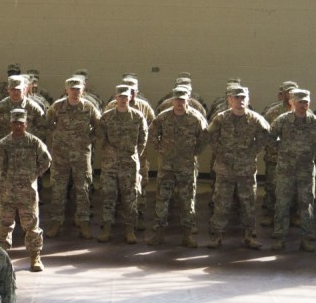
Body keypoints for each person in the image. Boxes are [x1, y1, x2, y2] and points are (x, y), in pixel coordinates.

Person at [205, 86, 271, 248]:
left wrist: (254, 151)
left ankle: (249, 235)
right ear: (229, 99)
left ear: (248, 100)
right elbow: (209, 135)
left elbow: (266, 135)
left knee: (247, 204)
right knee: (221, 203)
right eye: (236, 98)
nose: (240, 101)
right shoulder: (221, 118)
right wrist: (218, 151)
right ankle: (217, 235)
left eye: (243, 98)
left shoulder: (255, 119)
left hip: (246, 170)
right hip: (224, 169)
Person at [268, 89, 316, 252]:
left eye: (306, 102)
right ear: (292, 103)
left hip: (306, 169)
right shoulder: (283, 120)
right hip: (285, 169)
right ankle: (280, 237)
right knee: (282, 203)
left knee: (306, 204)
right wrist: (282, 149)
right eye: (300, 102)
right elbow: (270, 137)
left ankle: (306, 238)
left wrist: (312, 150)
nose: (303, 105)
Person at [147, 88, 207, 247]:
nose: (180, 103)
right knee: (162, 199)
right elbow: (152, 134)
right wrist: (160, 149)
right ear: (172, 101)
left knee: (187, 201)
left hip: (186, 167)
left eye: (183, 100)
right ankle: (159, 233)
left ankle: (187, 235)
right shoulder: (163, 117)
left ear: (188, 100)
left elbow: (204, 138)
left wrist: (194, 152)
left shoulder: (196, 118)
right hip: (167, 167)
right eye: (177, 100)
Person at [43, 76, 101, 238]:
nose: (75, 92)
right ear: (66, 90)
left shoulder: (89, 107)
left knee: (82, 189)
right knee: (58, 189)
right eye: (72, 89)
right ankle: (56, 221)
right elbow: (47, 124)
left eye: (78, 89)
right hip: (61, 155)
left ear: (83, 90)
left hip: (81, 156)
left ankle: (83, 222)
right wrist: (57, 138)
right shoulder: (57, 107)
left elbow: (99, 127)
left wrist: (88, 140)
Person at [0, 108, 51, 270]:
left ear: (26, 124)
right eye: (15, 123)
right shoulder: (3, 144)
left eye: (21, 123)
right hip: (7, 191)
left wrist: (33, 176)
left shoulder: (34, 143)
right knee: (4, 225)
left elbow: (46, 161)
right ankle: (1, 257)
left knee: (31, 225)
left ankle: (35, 257)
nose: (18, 126)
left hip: (27, 193)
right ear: (10, 124)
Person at [95, 84, 148, 243]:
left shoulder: (137, 117)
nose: (123, 100)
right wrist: (110, 154)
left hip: (129, 164)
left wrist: (133, 155)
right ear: (116, 98)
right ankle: (107, 228)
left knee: (130, 197)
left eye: (126, 97)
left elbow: (143, 139)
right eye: (120, 97)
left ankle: (130, 230)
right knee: (108, 196)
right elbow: (101, 137)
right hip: (110, 164)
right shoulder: (107, 117)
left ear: (130, 97)